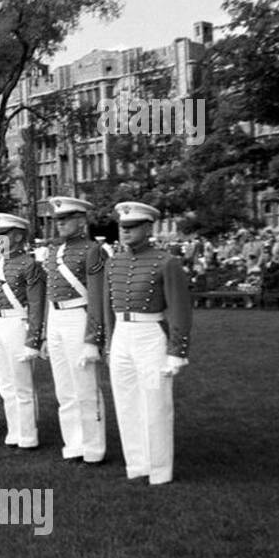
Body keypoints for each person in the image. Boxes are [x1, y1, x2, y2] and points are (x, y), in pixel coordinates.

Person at [103, 201, 192, 486]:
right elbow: (107, 307)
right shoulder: (113, 262)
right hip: (121, 336)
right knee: (126, 403)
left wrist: (176, 351)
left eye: (132, 227)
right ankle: (137, 464)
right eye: (122, 227)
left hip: (150, 334)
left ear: (147, 228)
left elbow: (179, 309)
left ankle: (159, 469)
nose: (125, 232)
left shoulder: (166, 261)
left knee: (155, 403)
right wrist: (108, 341)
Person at [43, 197, 108, 464]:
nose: (60, 224)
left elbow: (97, 297)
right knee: (64, 389)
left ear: (81, 221)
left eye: (66, 219)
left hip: (79, 317)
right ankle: (73, 443)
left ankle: (94, 447)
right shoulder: (53, 252)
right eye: (58, 219)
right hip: (57, 318)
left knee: (85, 387)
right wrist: (46, 334)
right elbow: (49, 295)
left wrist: (93, 338)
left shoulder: (93, 250)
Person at [0, 212, 45, 450]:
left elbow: (37, 304)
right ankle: (14, 431)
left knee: (22, 383)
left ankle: (29, 435)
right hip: (0, 324)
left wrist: (33, 339)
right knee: (5, 383)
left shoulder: (29, 265)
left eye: (4, 234)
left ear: (19, 236)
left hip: (18, 323)